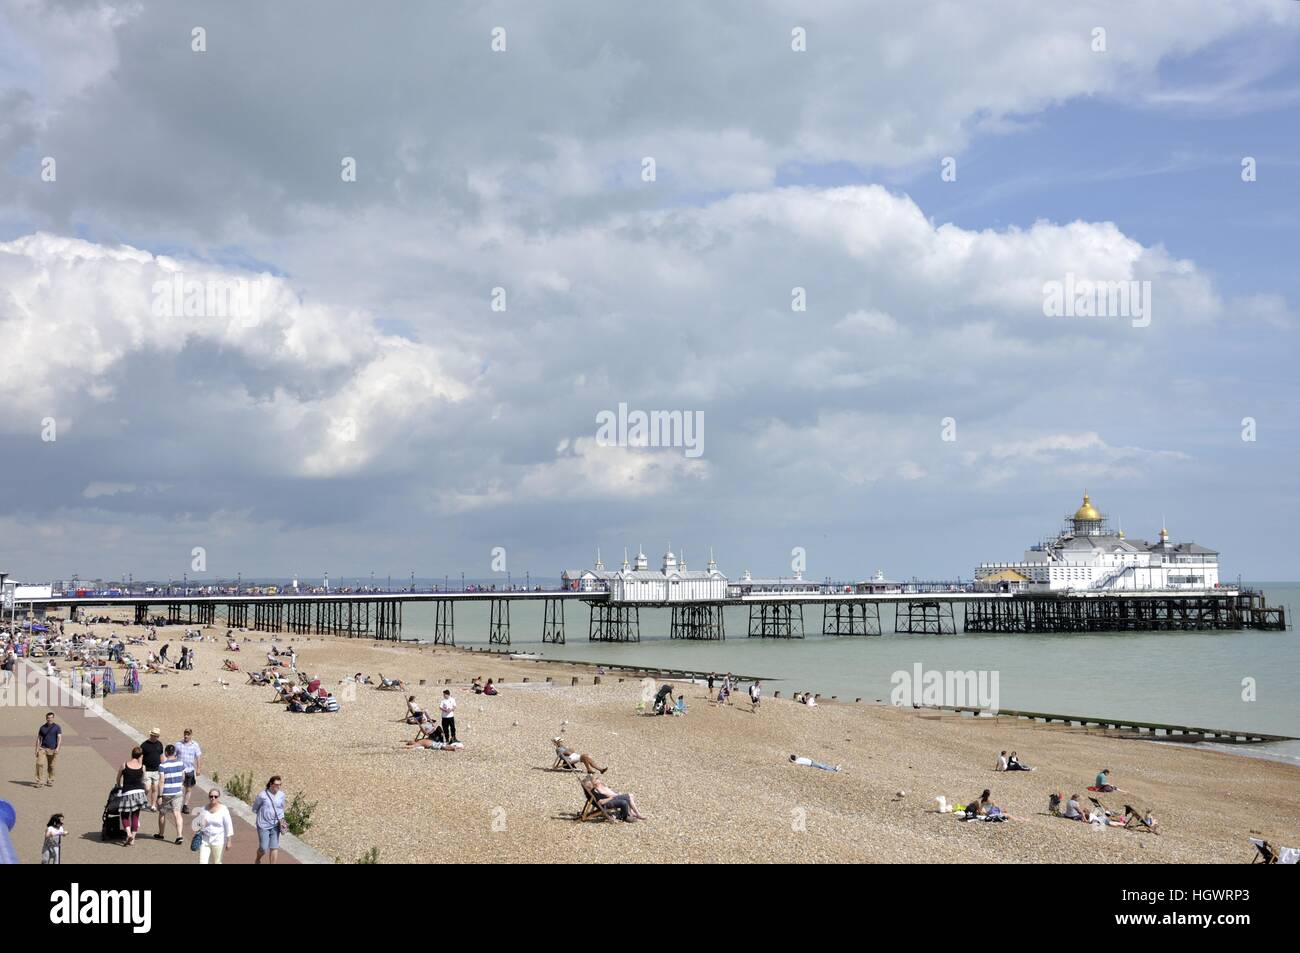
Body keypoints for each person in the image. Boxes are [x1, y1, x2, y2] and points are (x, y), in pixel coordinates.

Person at [114, 746, 149, 846]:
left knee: (124, 815)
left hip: (127, 793)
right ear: (140, 756)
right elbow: (144, 780)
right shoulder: (143, 767)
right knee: (135, 815)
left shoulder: (124, 765)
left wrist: (119, 785)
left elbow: (118, 778)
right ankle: (133, 838)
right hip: (139, 792)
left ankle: (128, 833)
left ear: (132, 754)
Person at [154, 744, 185, 844]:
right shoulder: (181, 764)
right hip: (178, 792)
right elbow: (183, 777)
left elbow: (161, 781)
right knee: (177, 814)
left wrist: (159, 796)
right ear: (174, 753)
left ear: (166, 753)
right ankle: (179, 835)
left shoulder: (162, 765)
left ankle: (161, 833)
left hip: (167, 792)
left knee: (162, 813)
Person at [192, 789, 234, 864]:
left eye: (215, 796)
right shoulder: (203, 809)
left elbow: (228, 825)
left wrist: (229, 841)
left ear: (218, 797)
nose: (213, 798)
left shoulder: (224, 810)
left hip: (218, 840)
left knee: (217, 862)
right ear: (209, 797)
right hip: (205, 840)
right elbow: (198, 824)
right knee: (202, 862)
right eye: (211, 796)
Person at [252, 776, 287, 864]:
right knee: (263, 848)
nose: (278, 787)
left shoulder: (281, 795)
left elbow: (281, 808)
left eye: (280, 784)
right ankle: (258, 859)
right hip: (263, 825)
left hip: (276, 825)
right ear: (271, 784)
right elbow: (255, 808)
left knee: (274, 847)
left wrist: (282, 820)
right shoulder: (262, 795)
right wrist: (264, 815)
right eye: (276, 784)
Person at [140, 728, 165, 811]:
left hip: (156, 770)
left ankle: (153, 805)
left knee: (155, 789)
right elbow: (141, 757)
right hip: (147, 770)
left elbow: (161, 756)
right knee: (147, 788)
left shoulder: (159, 744)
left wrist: (163, 767)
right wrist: (140, 767)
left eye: (157, 736)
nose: (155, 737)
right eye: (154, 735)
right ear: (151, 735)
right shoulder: (144, 745)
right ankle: (142, 801)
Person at [36, 711, 61, 787]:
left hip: (52, 749)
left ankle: (50, 780)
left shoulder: (57, 727)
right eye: (48, 718)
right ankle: (40, 781)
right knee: (39, 764)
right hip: (42, 748)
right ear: (46, 718)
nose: (49, 719)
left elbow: (59, 738)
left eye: (51, 718)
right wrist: (36, 749)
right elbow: (39, 739)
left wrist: (57, 748)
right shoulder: (42, 727)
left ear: (53, 718)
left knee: (51, 766)